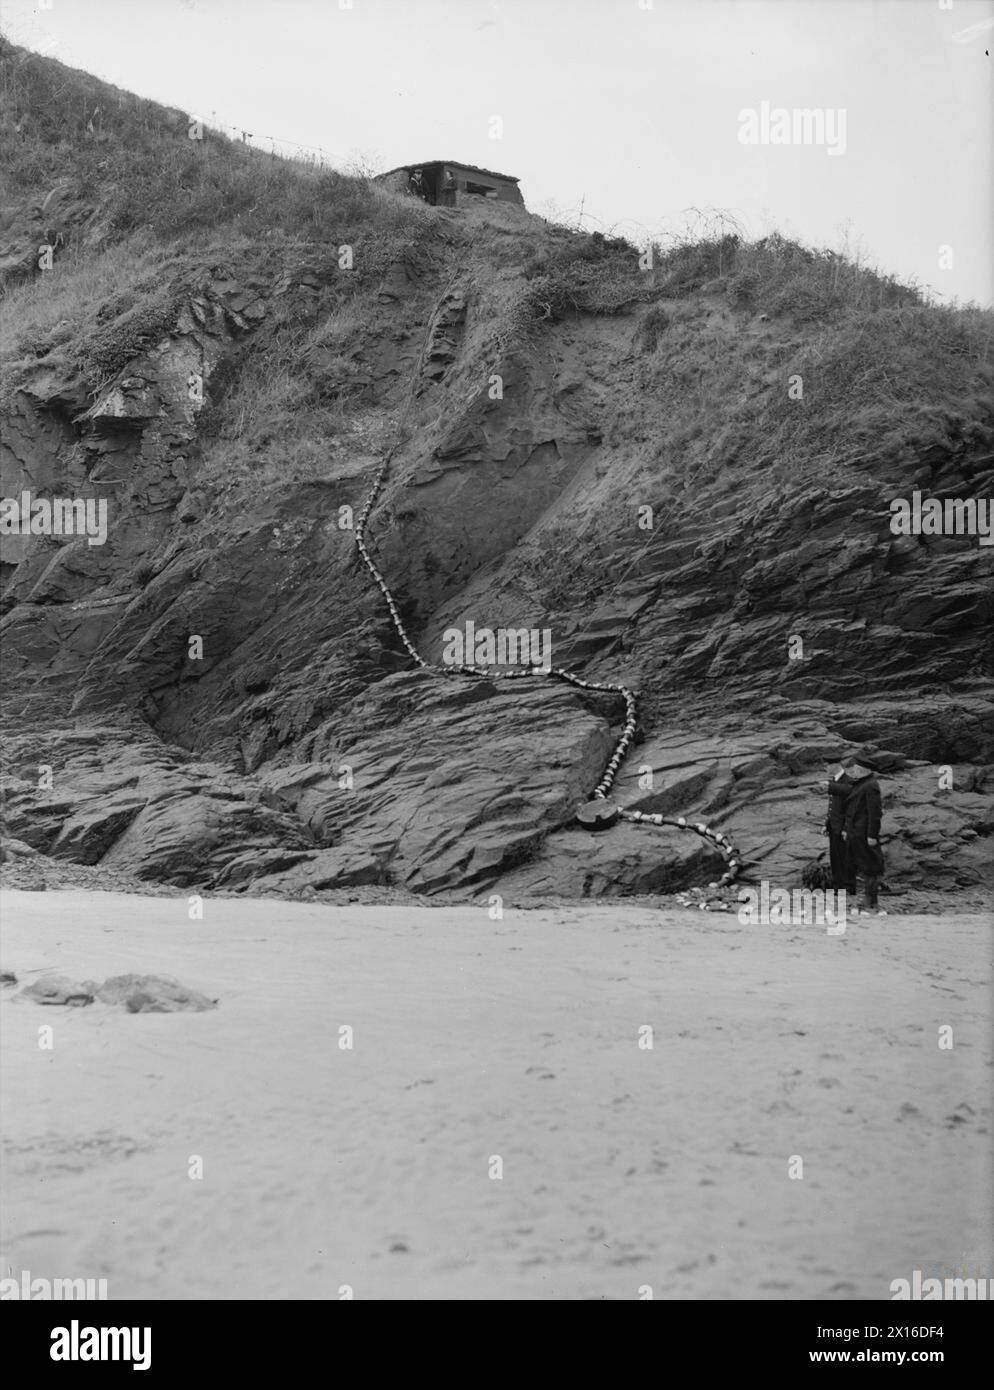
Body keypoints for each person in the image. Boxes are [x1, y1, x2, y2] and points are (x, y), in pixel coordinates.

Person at [842, 758, 887, 916]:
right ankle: (857, 903)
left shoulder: (871, 785)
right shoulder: (860, 784)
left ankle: (871, 903)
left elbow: (875, 813)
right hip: (854, 834)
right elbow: (851, 810)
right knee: (854, 866)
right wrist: (846, 829)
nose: (853, 772)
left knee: (870, 868)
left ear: (864, 770)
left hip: (864, 834)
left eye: (856, 769)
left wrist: (872, 835)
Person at [824, 764, 856, 895]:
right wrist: (826, 824)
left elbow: (851, 808)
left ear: (834, 766)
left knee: (846, 858)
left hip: (842, 828)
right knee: (835, 858)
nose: (825, 768)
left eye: (827, 765)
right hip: (834, 826)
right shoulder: (834, 781)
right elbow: (832, 806)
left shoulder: (848, 782)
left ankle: (848, 887)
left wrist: (846, 828)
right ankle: (838, 887)